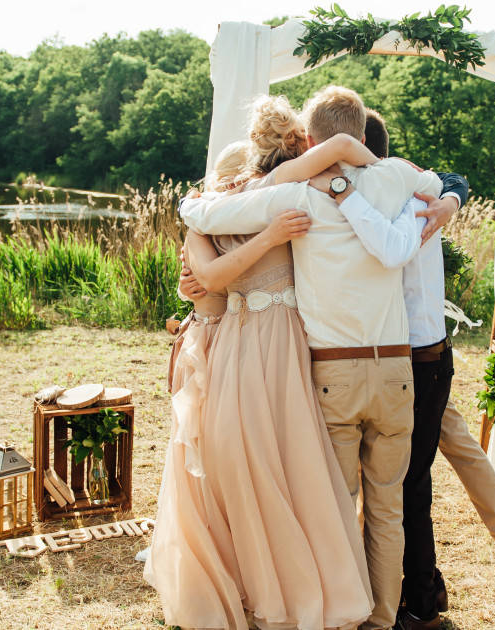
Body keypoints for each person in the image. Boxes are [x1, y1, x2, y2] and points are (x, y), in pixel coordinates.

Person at [178, 85, 444, 630]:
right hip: (394, 371)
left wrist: (199, 204)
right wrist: (447, 200)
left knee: (334, 503)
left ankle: (343, 611)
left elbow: (205, 213)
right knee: (388, 507)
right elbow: (438, 182)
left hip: (332, 371)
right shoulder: (394, 178)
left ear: (311, 141)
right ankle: (380, 620)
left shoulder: (295, 196)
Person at [145, 95, 387, 630]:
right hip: (241, 338)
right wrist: (269, 237)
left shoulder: (277, 191)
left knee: (290, 458)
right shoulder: (213, 219)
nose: (235, 186)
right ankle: (249, 582)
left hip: (282, 338)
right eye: (229, 183)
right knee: (241, 455)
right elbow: (210, 281)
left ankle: (287, 585)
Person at [331, 110, 495, 629]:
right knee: (454, 448)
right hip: (426, 358)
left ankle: (422, 602)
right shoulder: (417, 186)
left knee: (407, 484)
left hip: (410, 363)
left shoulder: (376, 199)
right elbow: (453, 178)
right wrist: (451, 197)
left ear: (357, 147)